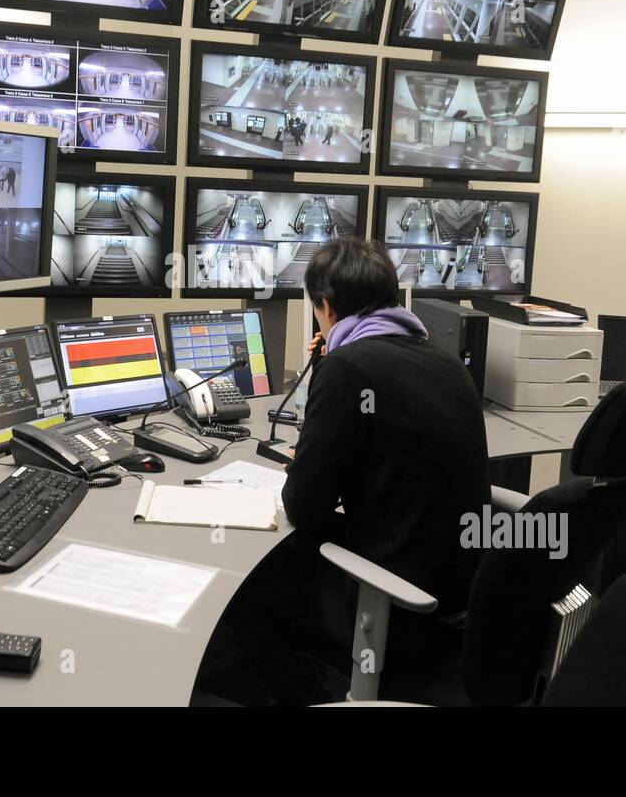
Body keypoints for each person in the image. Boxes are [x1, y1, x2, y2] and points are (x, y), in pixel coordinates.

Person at [194, 237, 489, 706]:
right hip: (458, 595)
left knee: (246, 581)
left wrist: (318, 417)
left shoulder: (349, 368)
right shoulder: (443, 360)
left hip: (396, 605)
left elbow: (303, 506)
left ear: (325, 306)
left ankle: (306, 691)